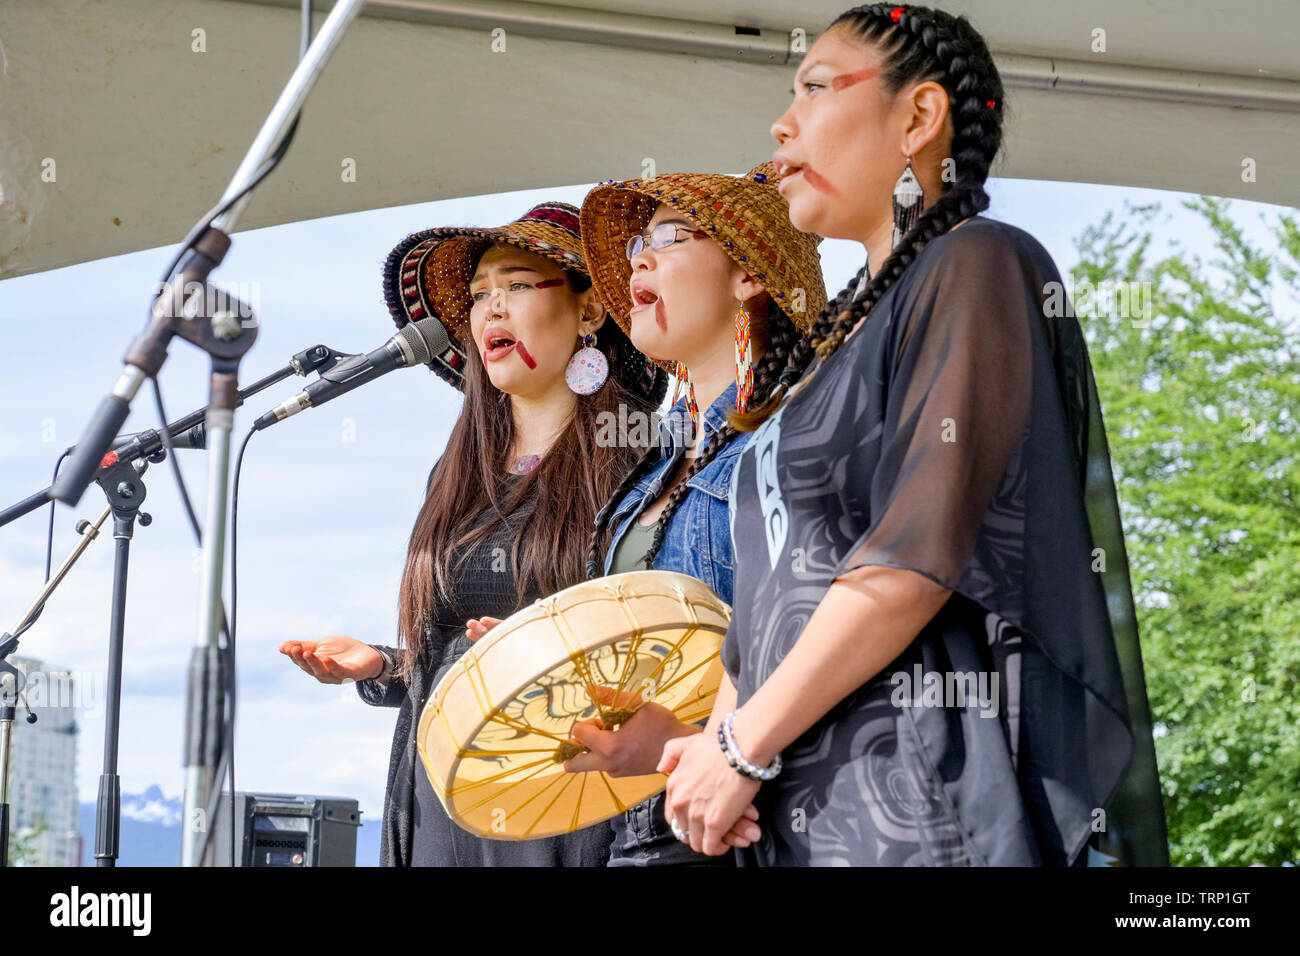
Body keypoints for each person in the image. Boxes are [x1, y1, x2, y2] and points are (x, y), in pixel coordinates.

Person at [659, 3, 1169, 866]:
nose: (783, 122)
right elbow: (767, 598)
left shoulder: (977, 264)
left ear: (919, 118)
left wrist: (743, 745)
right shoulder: (831, 345)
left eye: (816, 88)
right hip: (791, 803)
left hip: (911, 794)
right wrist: (716, 748)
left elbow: (911, 558)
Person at [280, 202, 667, 866]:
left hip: (568, 796)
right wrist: (382, 664)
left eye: (517, 285)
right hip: (445, 793)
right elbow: (461, 653)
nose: (492, 308)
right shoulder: (457, 470)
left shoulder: (639, 455)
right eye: (481, 295)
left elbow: (665, 654)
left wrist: (545, 657)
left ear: (590, 312)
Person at [554, 162, 827, 865]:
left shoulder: (793, 439)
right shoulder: (654, 468)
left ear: (751, 276)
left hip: (758, 829)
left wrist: (694, 738)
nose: (639, 256)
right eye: (637, 243)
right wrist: (551, 656)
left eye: (669, 237)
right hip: (650, 829)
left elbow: (820, 640)